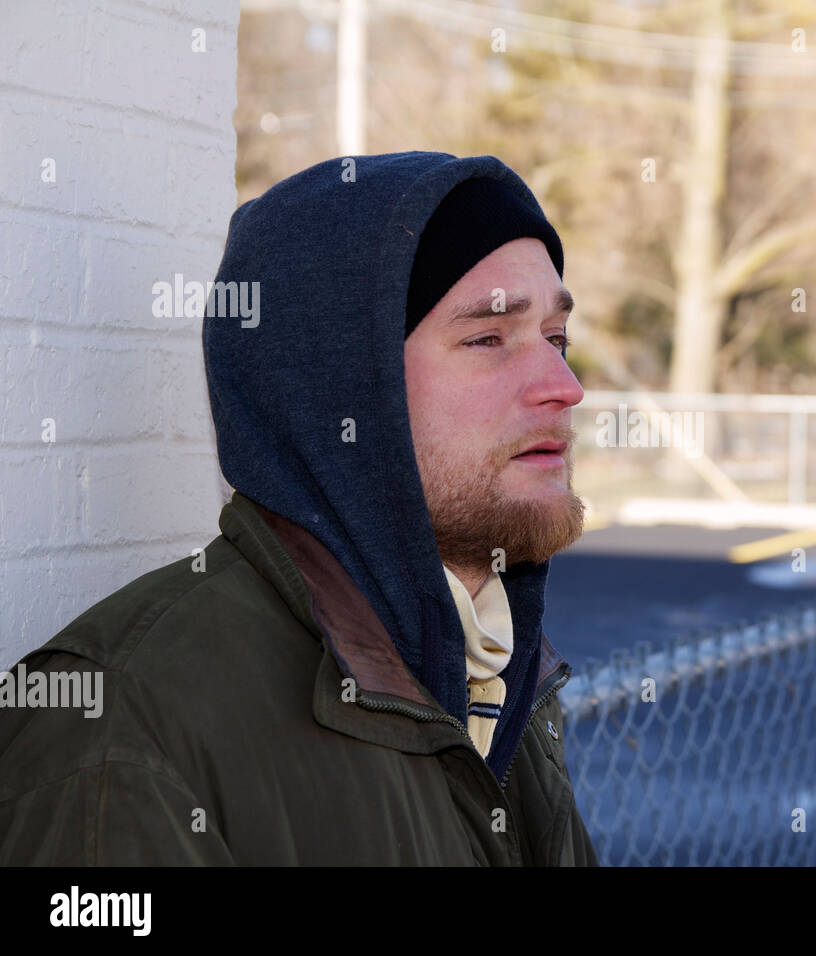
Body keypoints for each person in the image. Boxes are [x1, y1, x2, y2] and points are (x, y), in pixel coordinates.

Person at [0, 151, 599, 865]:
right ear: (339, 388)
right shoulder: (123, 730)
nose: (564, 386)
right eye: (488, 338)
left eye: (556, 338)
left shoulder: (497, 670)